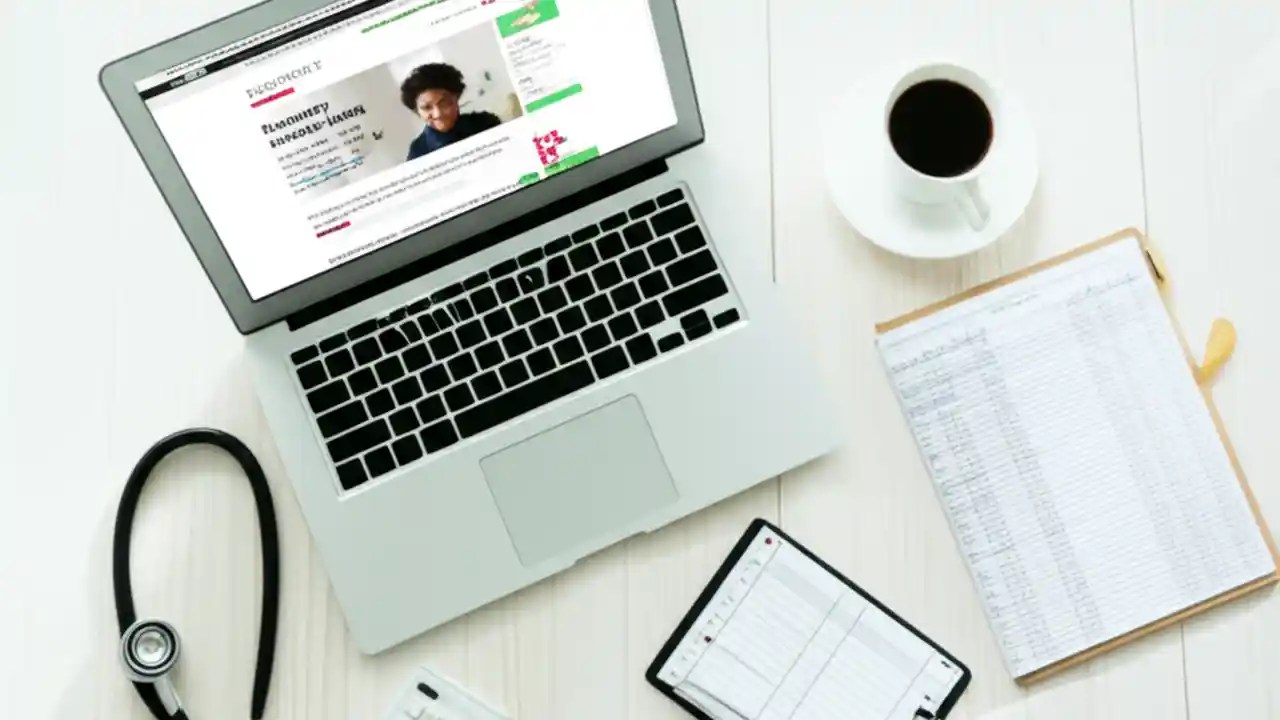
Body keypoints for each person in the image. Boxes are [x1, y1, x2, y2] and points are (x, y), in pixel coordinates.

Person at [400, 63, 502, 161]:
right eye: (427, 107)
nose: (438, 114)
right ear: (417, 112)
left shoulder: (486, 122)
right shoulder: (418, 152)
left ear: (456, 97)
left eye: (444, 103)